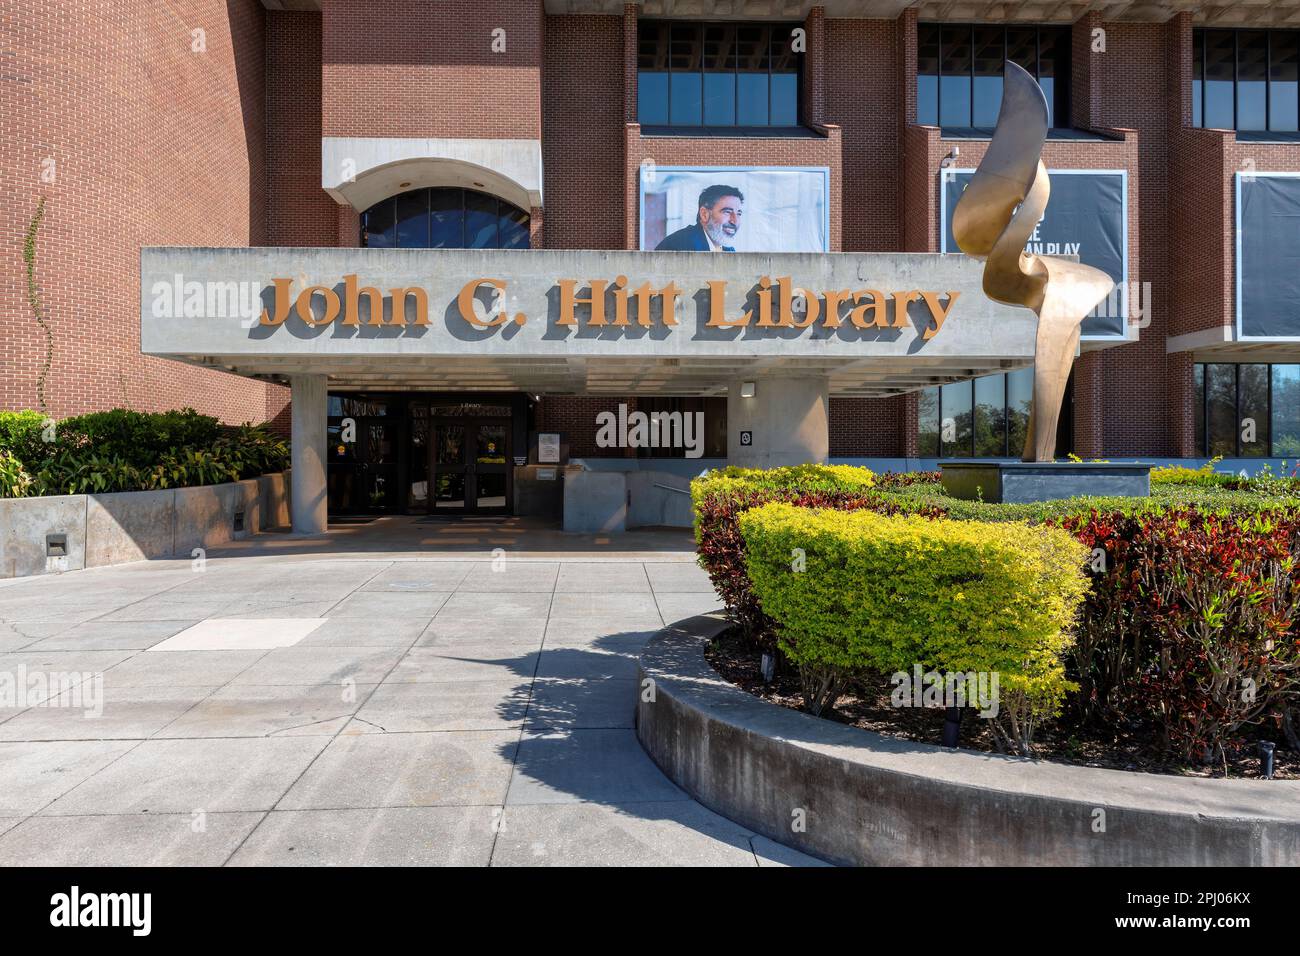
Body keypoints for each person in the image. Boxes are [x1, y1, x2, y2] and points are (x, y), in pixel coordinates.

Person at [655, 184, 744, 251]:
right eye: (727, 212)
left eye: (739, 213)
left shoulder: (728, 250)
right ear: (704, 214)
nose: (734, 221)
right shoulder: (680, 246)